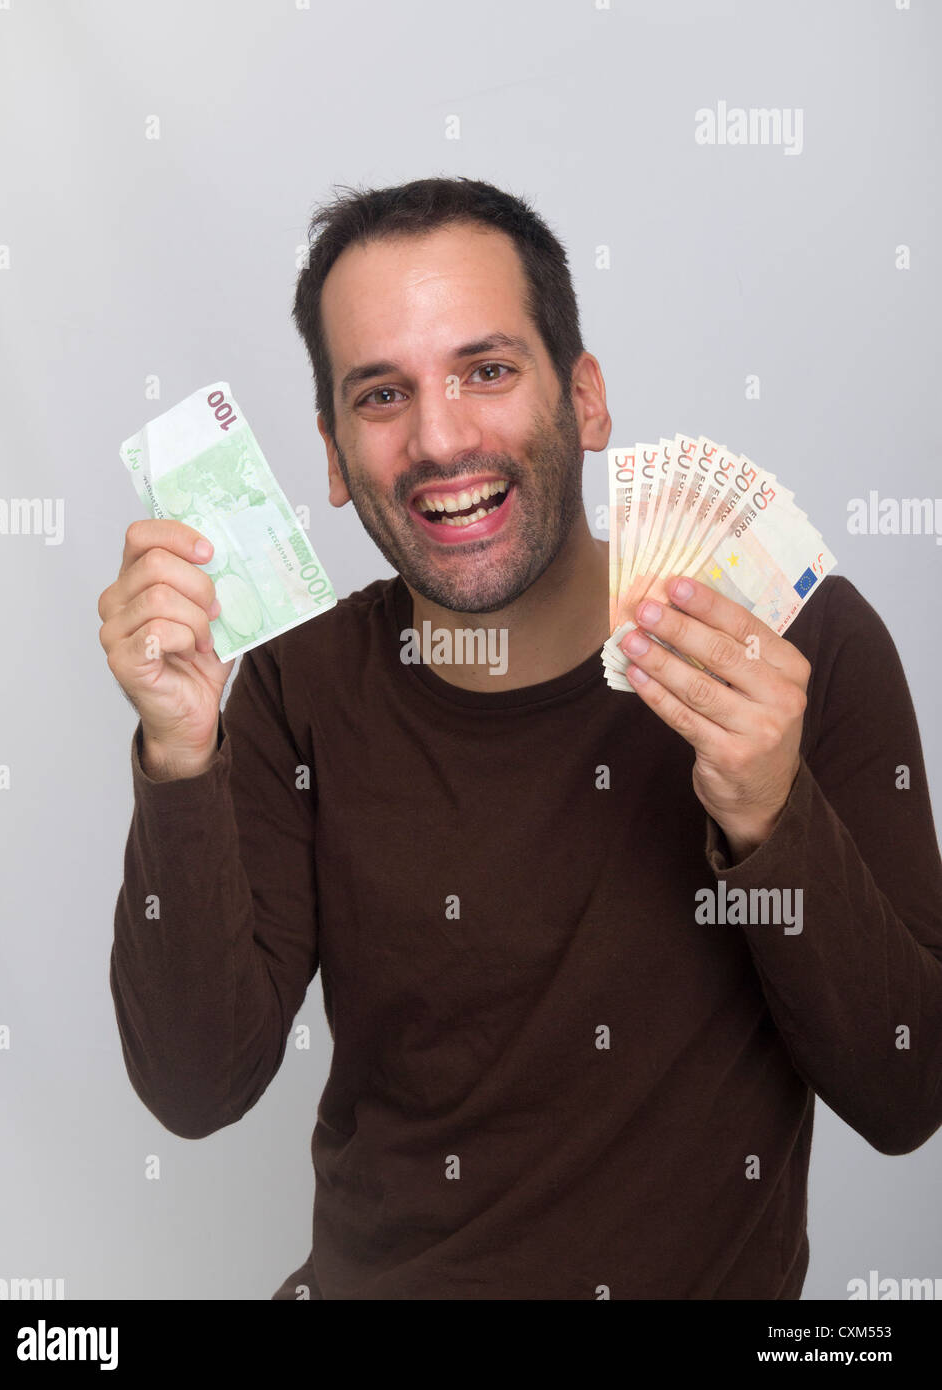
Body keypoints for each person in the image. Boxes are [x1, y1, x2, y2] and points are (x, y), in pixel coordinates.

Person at [98, 176, 942, 1300]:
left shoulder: (790, 643)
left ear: (586, 400)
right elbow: (196, 1088)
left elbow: (907, 1092)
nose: (441, 439)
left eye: (486, 371)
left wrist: (768, 814)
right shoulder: (297, 683)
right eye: (383, 394)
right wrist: (178, 758)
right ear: (337, 458)